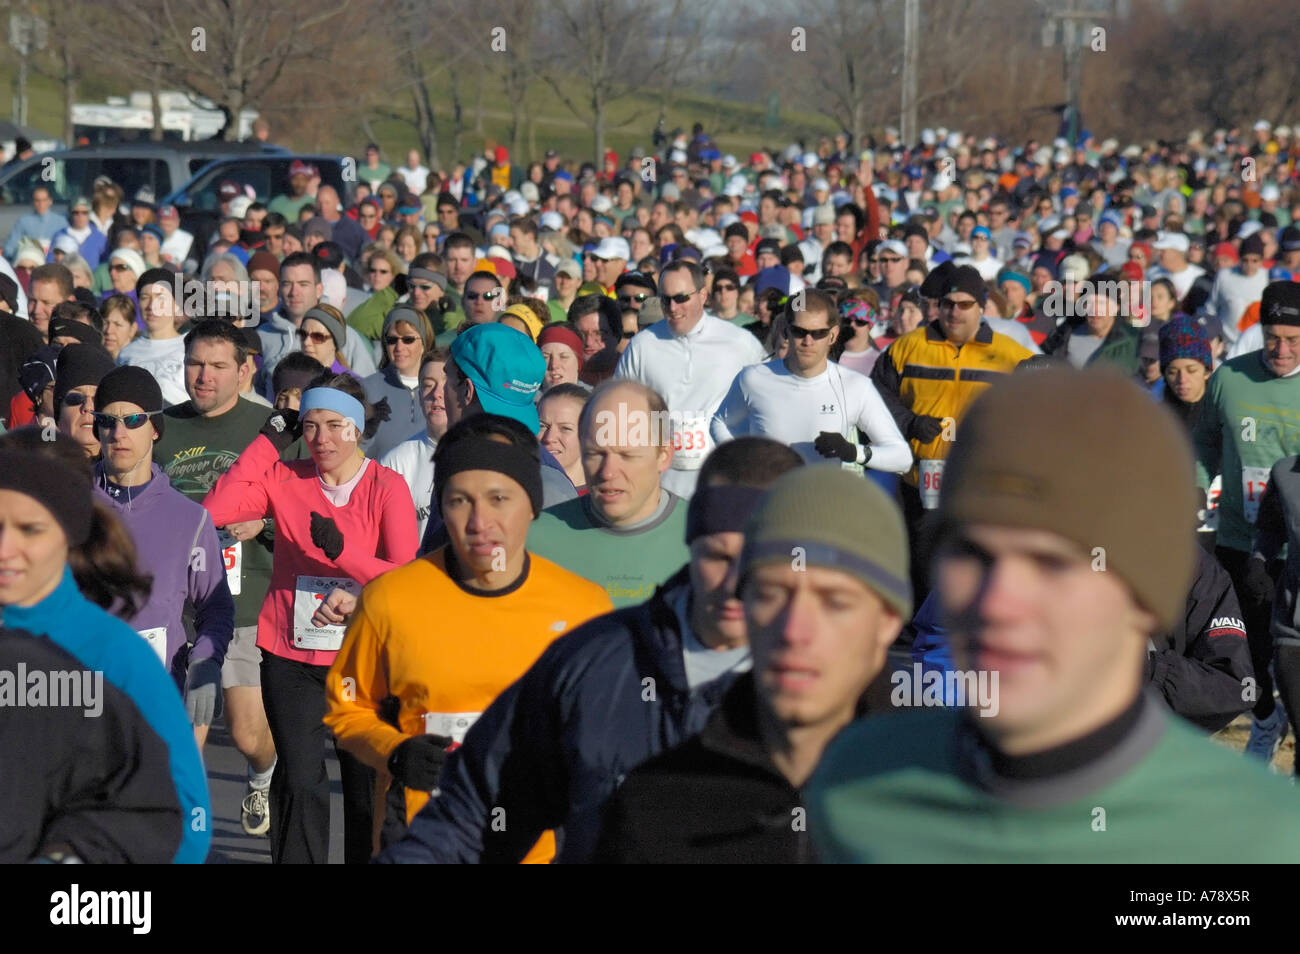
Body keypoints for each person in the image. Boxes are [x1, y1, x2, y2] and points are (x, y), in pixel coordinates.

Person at [807, 366, 1300, 863]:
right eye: (972, 555)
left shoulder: (1255, 839)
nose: (998, 601)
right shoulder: (857, 792)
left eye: (1052, 564)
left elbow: (1229, 683)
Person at [377, 437, 803, 864]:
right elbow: (472, 815)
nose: (735, 584)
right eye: (717, 556)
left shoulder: (849, 688)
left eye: (759, 559)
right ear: (690, 542)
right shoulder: (594, 663)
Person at [325, 413, 613, 859]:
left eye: (500, 498)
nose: (480, 521)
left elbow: (605, 735)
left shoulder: (582, 607)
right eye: (460, 500)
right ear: (442, 507)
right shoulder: (390, 600)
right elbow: (347, 710)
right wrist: (395, 752)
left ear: (532, 504)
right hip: (421, 842)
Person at [597, 463, 910, 862]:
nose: (795, 630)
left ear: (887, 621)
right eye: (772, 594)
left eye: (835, 602)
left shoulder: (954, 806)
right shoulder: (655, 804)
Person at [203, 377, 419, 864]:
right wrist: (267, 441)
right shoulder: (285, 477)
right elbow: (215, 510)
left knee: (363, 783)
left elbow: (403, 578)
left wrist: (347, 558)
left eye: (336, 427)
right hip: (290, 653)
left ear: (358, 430)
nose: (323, 438)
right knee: (301, 778)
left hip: (361, 658)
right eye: (312, 426)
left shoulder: (387, 486)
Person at [0, 429, 210, 863]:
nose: (6, 548)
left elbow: (187, 823)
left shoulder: (115, 656)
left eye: (29, 529)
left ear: (70, 533)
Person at [152, 319, 281, 836]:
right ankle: (178, 834)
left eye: (217, 365)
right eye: (194, 364)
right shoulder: (161, 426)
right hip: (178, 608)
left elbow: (305, 505)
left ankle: (263, 773)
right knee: (185, 735)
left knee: (250, 734)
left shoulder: (270, 426)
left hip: (246, 603)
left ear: (243, 369)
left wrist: (265, 523)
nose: (203, 376)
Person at [871, 264, 1033, 604]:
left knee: (970, 562)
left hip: (978, 483)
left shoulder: (1010, 355)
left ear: (982, 305)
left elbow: (1040, 400)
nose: (954, 312)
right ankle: (918, 637)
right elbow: (875, 396)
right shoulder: (907, 347)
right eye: (947, 303)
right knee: (920, 558)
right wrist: (910, 421)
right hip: (919, 479)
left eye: (964, 304)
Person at [90, 364, 234, 739]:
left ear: (154, 428)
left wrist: (206, 658)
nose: (118, 433)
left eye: (133, 419)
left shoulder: (189, 520)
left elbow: (215, 607)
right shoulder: (65, 507)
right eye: (107, 421)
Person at [1194, 281, 1300, 760]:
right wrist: (1195, 491)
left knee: (1292, 654)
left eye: (1294, 340)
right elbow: (1204, 446)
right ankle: (1263, 722)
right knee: (1248, 649)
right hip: (1239, 538)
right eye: (1273, 337)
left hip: (1295, 545)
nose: (1281, 349)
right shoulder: (1229, 379)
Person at [711, 288, 911, 474]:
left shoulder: (856, 386)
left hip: (822, 506)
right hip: (767, 506)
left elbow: (902, 457)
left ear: (832, 336)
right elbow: (719, 422)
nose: (808, 341)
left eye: (818, 333)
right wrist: (742, 463)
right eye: (799, 331)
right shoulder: (753, 378)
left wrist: (853, 452)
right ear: (786, 331)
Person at [526, 379, 689, 607]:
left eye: (627, 455)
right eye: (595, 454)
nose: (608, 472)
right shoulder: (533, 541)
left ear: (664, 455)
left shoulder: (704, 540)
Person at [417, 322, 577, 553]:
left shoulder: (463, 472)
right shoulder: (552, 477)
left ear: (467, 391)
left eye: (447, 381)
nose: (440, 393)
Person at [615, 260, 766, 499]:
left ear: (703, 296)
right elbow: (620, 411)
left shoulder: (740, 342)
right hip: (662, 483)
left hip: (724, 479)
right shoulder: (643, 346)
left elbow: (765, 404)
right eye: (665, 300)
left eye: (681, 298)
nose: (673, 307)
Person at [379, 348, 449, 540]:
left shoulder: (479, 453)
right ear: (419, 396)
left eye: (446, 385)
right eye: (428, 385)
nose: (437, 394)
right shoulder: (395, 462)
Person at [116, 268, 187, 406]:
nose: (151, 305)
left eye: (160, 297)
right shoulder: (126, 354)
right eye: (144, 298)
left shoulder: (191, 347)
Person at [53, 343, 117, 458]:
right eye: (75, 398)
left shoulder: (142, 473)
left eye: (97, 398)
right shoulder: (38, 471)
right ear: (58, 413)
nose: (88, 407)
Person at [537, 383, 589, 493]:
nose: (549, 438)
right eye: (543, 426)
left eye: (565, 428)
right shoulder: (521, 491)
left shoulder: (601, 500)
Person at [3, 186, 68, 261]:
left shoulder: (61, 222)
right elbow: (9, 248)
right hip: (30, 264)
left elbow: (67, 247)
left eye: (44, 200)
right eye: (37, 200)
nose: (41, 204)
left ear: (50, 201)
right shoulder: (23, 222)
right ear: (32, 202)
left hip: (53, 265)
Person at [537, 323, 586, 390]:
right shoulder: (523, 399)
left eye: (563, 357)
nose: (554, 365)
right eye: (545, 357)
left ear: (579, 362)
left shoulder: (596, 399)